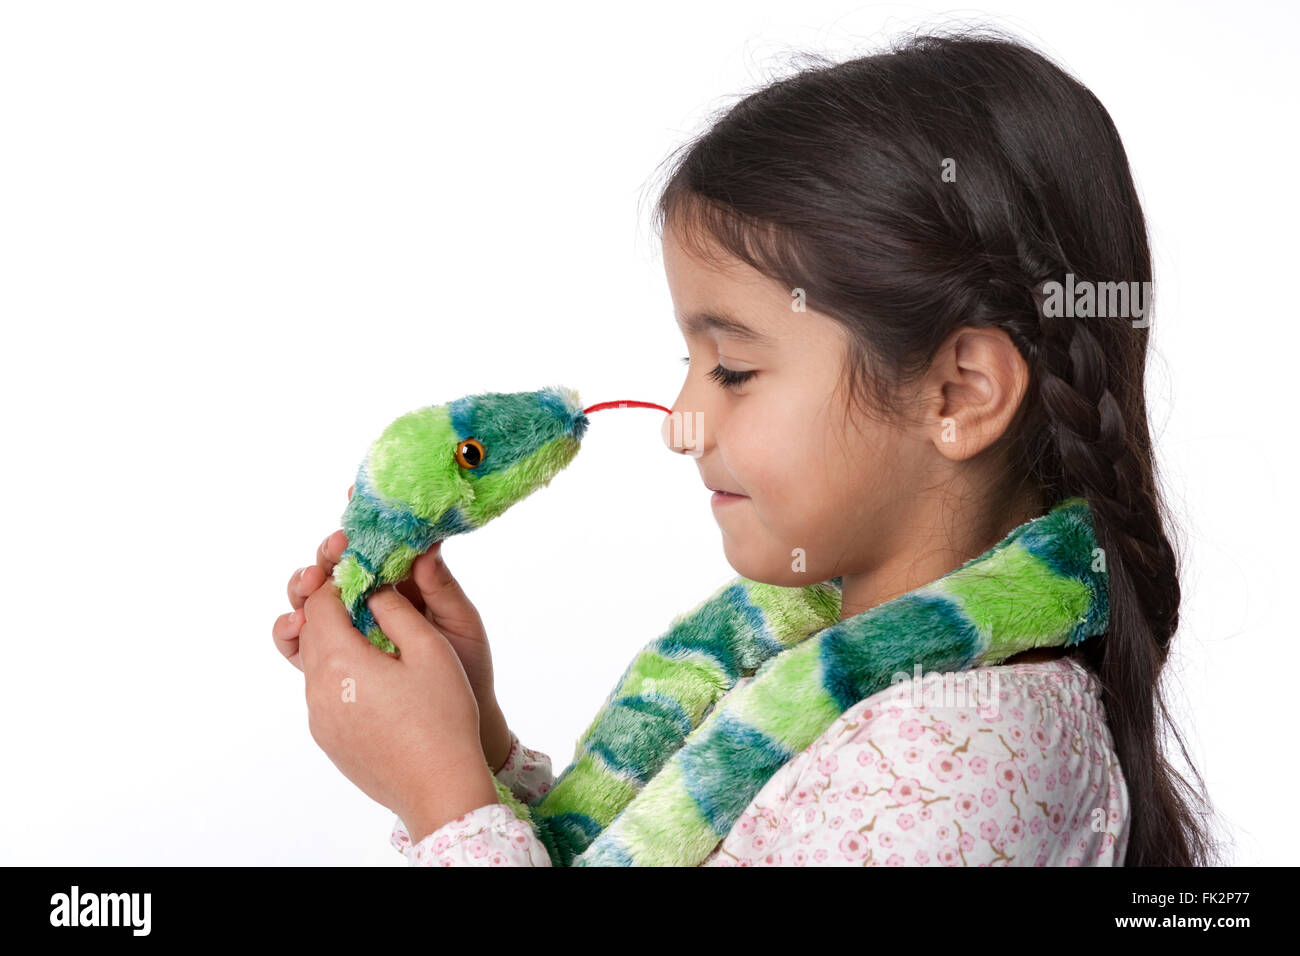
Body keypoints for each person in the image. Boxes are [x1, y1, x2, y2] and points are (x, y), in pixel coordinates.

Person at [271, 27, 1218, 866]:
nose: (682, 421)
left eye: (732, 368)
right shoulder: (840, 686)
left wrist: (445, 804)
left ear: (958, 394)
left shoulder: (953, 760)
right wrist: (479, 749)